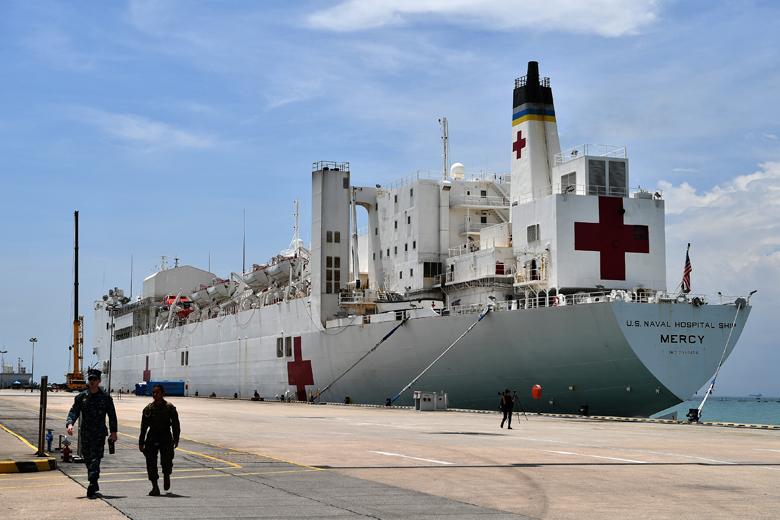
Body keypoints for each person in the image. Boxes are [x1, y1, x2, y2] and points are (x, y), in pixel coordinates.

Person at [66, 368, 118, 498]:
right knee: (88, 458)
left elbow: (112, 415)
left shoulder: (106, 398)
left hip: (99, 433)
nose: (92, 381)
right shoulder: (81, 397)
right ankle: (94, 481)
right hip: (86, 433)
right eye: (90, 379)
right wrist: (70, 424)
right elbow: (74, 412)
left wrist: (113, 432)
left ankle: (92, 483)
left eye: (95, 379)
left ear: (99, 381)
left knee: (95, 459)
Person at [139, 384, 180, 496]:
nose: (155, 395)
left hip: (165, 436)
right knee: (151, 462)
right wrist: (141, 442)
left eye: (157, 392)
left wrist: (176, 438)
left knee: (167, 460)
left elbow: (176, 425)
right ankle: (155, 487)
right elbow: (143, 427)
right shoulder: (148, 409)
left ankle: (166, 475)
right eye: (153, 393)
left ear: (163, 394)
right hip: (152, 436)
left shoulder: (170, 408)